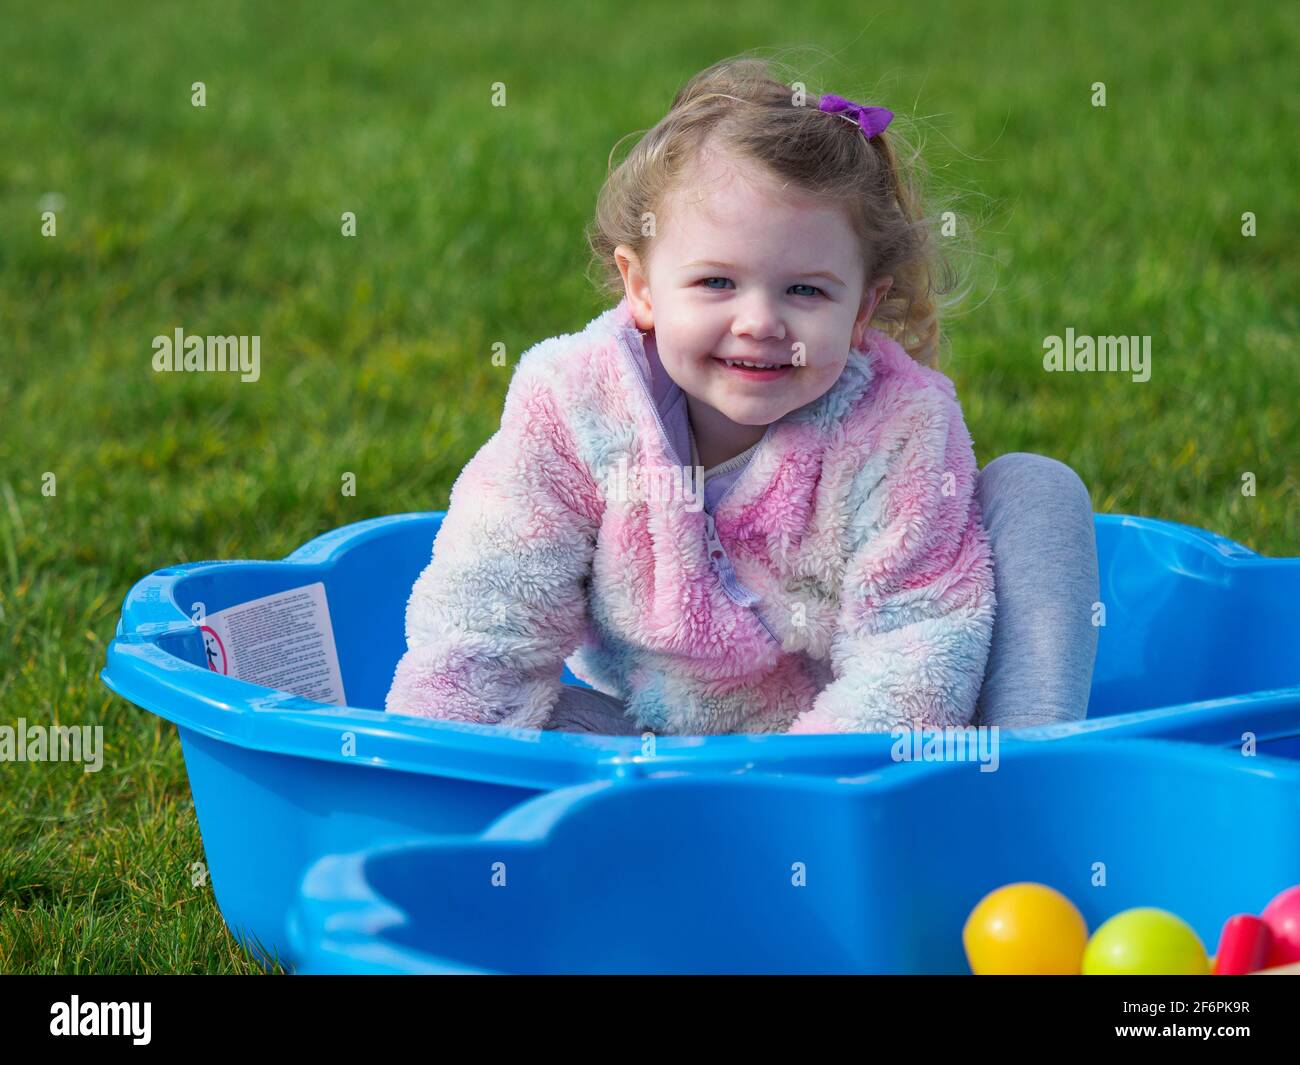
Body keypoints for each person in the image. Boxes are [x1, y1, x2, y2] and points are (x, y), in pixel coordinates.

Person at [385, 56, 1098, 735]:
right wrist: (431, 770)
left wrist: (803, 799)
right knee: (530, 722)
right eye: (717, 282)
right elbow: (487, 608)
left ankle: (1028, 776)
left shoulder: (899, 424)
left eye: (805, 290)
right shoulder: (575, 407)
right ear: (641, 287)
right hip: (653, 747)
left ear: (860, 312)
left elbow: (916, 647)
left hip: (857, 759)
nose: (759, 321)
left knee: (1037, 489)